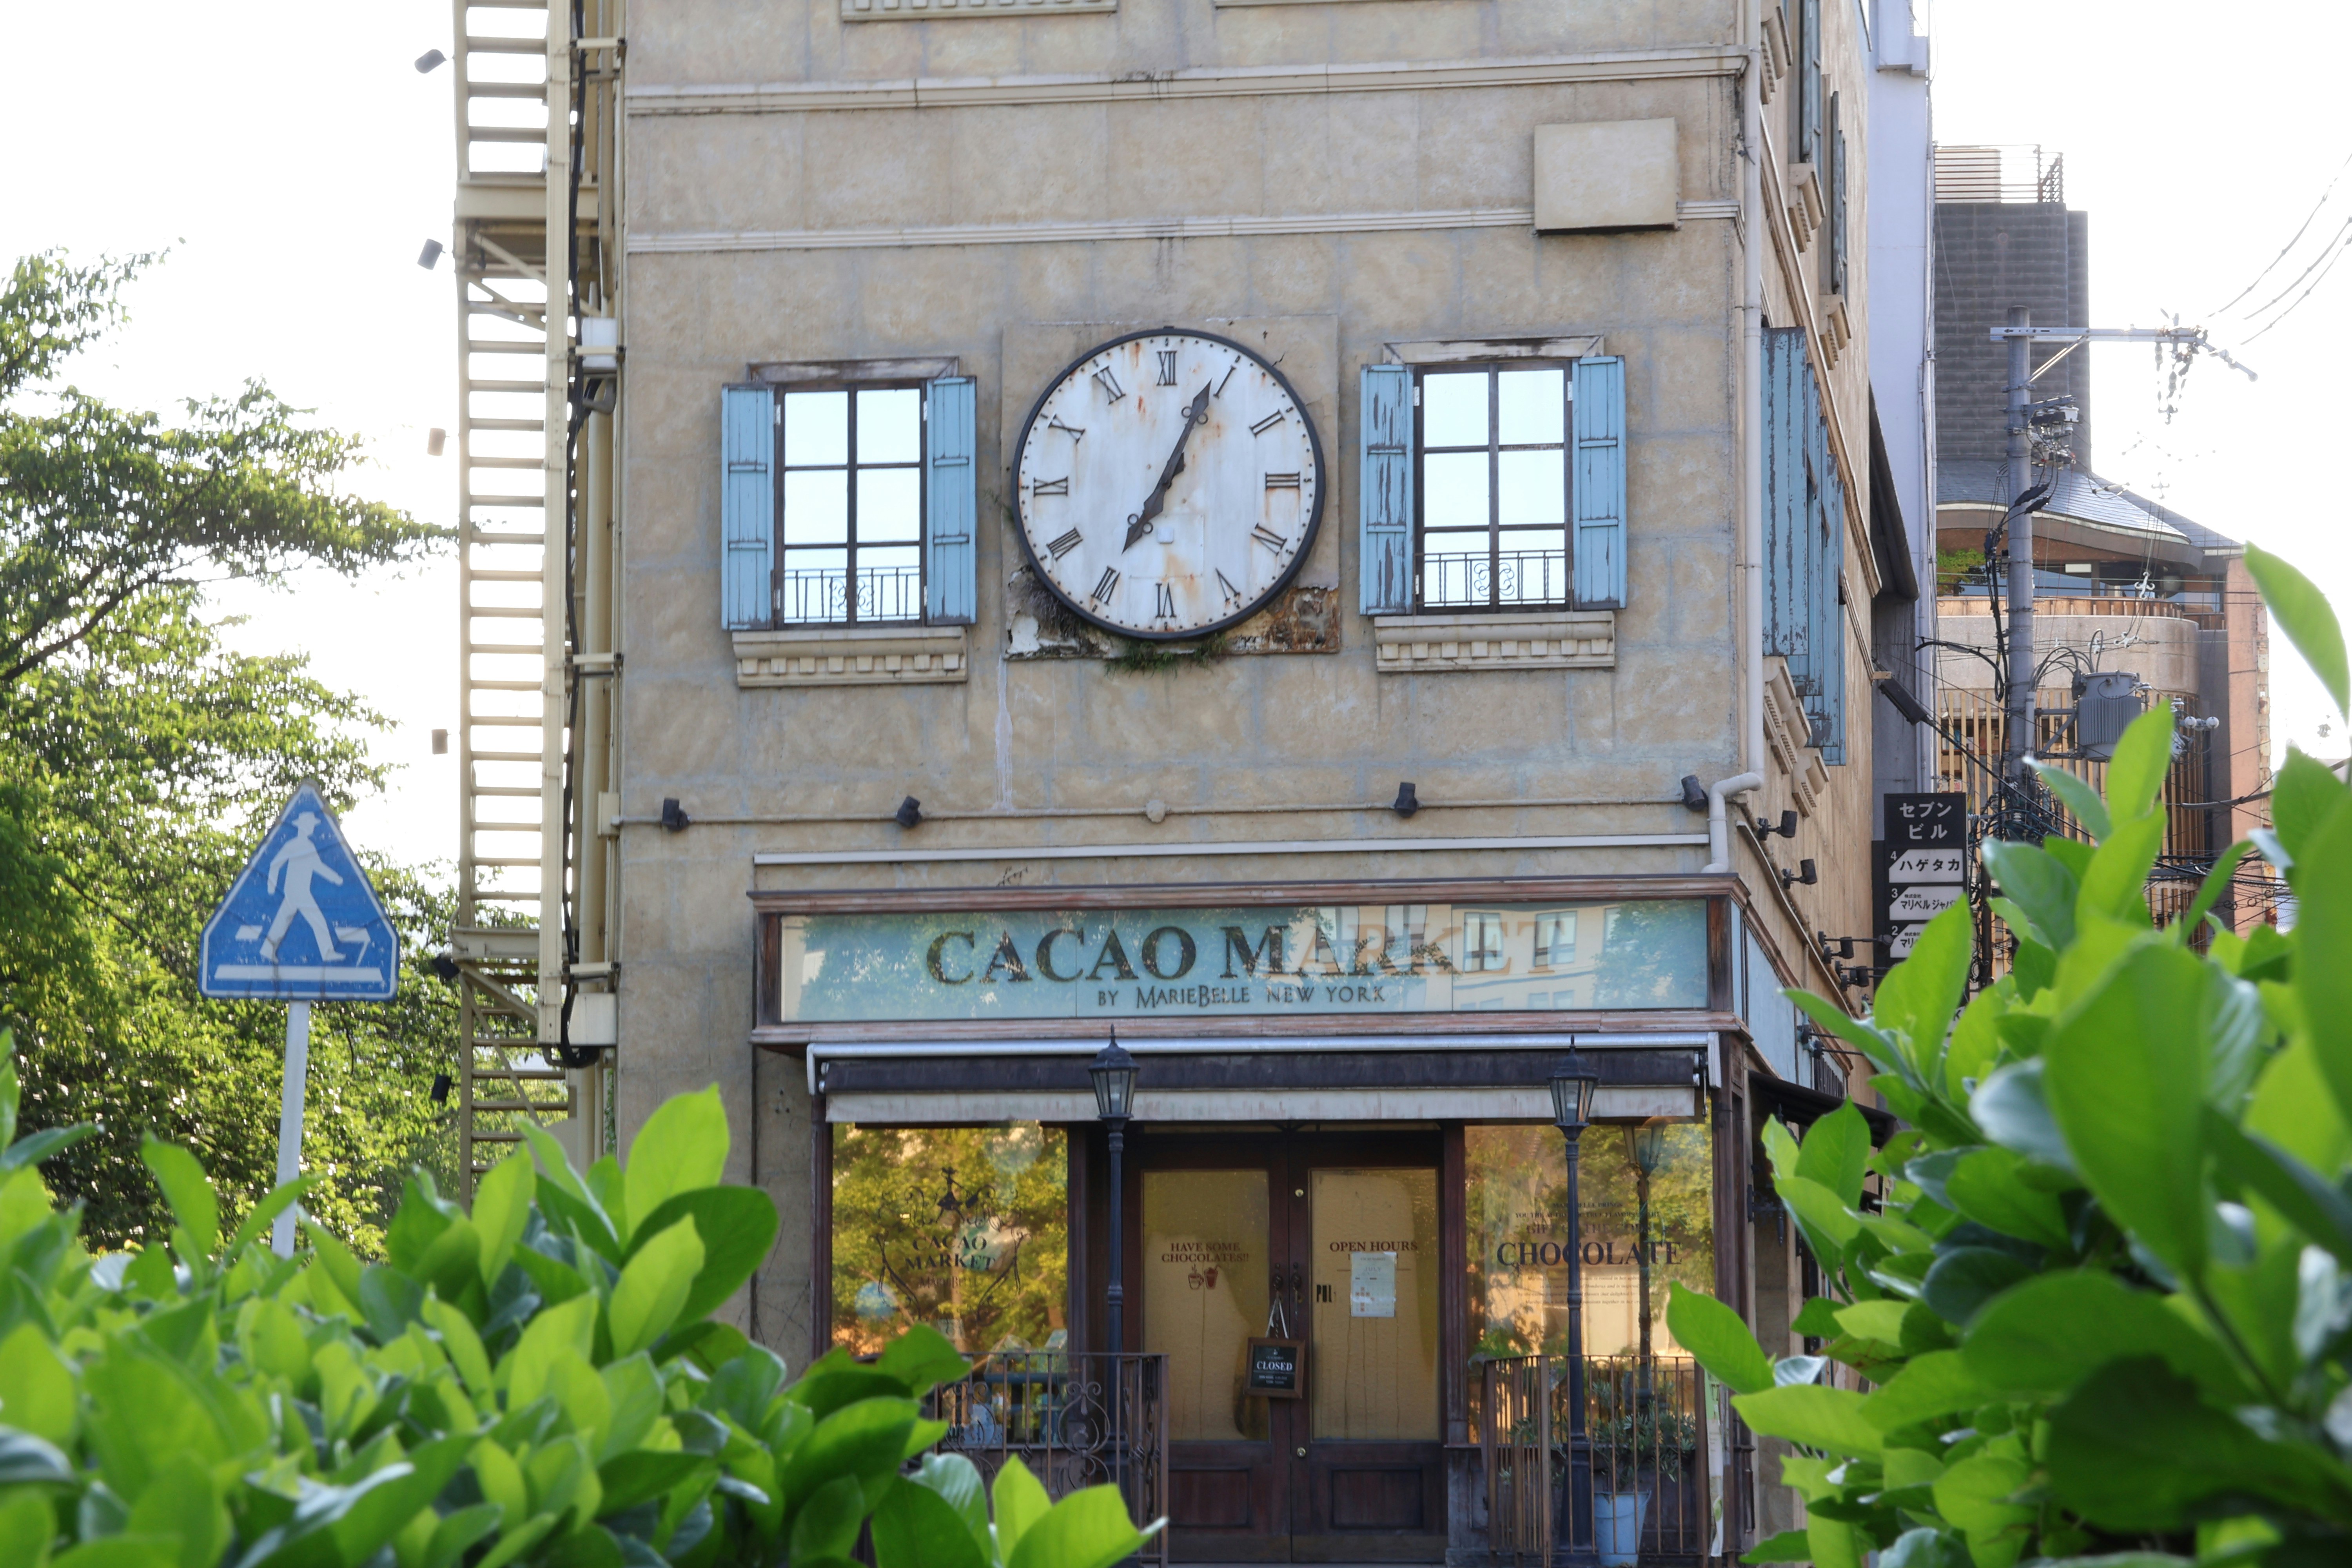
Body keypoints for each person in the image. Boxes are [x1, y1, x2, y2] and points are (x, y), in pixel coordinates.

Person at [259, 811, 345, 963]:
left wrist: (335, 878)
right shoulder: (293, 845)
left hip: (298, 891)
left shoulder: (308, 845)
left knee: (283, 920)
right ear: (303, 826)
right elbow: (275, 864)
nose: (312, 828)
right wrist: (271, 886)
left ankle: (268, 949)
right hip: (297, 892)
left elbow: (317, 866)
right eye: (310, 825)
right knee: (318, 921)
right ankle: (327, 953)